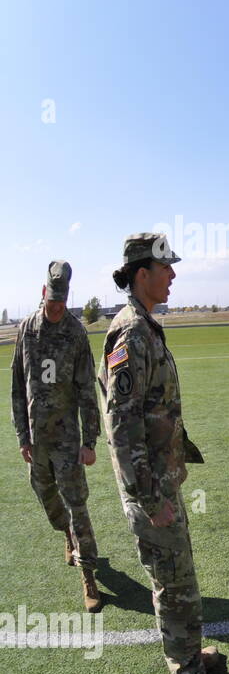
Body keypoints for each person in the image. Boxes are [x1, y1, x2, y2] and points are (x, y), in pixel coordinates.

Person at [101, 233, 229, 674]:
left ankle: (191, 654)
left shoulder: (146, 326)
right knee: (172, 581)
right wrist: (149, 497)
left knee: (182, 575)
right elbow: (120, 426)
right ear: (142, 274)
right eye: (165, 268)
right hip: (150, 488)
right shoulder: (132, 333)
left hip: (162, 480)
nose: (173, 275)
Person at [10, 261, 103, 611]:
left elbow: (86, 391)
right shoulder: (26, 329)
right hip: (37, 439)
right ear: (42, 294)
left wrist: (89, 441)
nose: (57, 309)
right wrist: (23, 435)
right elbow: (17, 386)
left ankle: (89, 577)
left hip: (66, 439)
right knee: (46, 496)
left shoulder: (76, 333)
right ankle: (65, 534)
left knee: (77, 505)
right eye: (52, 303)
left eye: (62, 304)